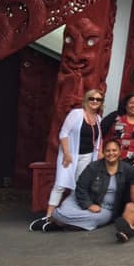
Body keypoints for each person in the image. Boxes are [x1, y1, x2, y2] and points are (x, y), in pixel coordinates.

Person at [32, 88, 104, 227]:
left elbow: (98, 139)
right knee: (61, 184)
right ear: (86, 100)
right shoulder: (76, 114)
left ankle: (68, 214)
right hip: (71, 155)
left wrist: (99, 151)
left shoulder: (98, 119)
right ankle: (48, 215)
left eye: (98, 99)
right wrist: (66, 153)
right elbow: (63, 133)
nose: (95, 101)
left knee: (79, 185)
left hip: (87, 156)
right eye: (92, 99)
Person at [39, 139, 134, 232]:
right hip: (85, 200)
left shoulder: (127, 170)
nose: (111, 153)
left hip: (105, 208)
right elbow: (81, 187)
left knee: (95, 218)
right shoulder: (93, 167)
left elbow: (131, 192)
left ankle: (60, 224)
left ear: (120, 152)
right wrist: (89, 205)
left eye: (114, 150)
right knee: (61, 212)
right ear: (103, 152)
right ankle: (66, 222)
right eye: (107, 151)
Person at [100, 93, 134, 168]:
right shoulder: (115, 116)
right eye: (131, 103)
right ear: (126, 104)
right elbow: (100, 134)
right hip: (111, 157)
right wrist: (100, 153)